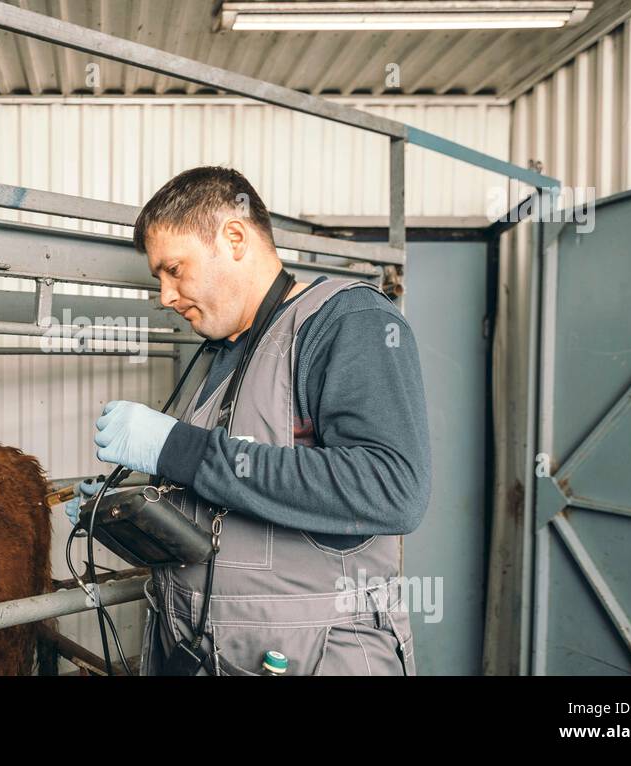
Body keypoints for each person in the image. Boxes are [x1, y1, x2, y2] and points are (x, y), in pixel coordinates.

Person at [69, 166, 431, 675]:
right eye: (159, 278)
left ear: (234, 238)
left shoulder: (349, 322)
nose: (166, 296)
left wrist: (177, 447)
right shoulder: (220, 353)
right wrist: (123, 512)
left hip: (316, 657)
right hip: (204, 651)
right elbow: (228, 491)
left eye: (174, 269)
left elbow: (393, 488)